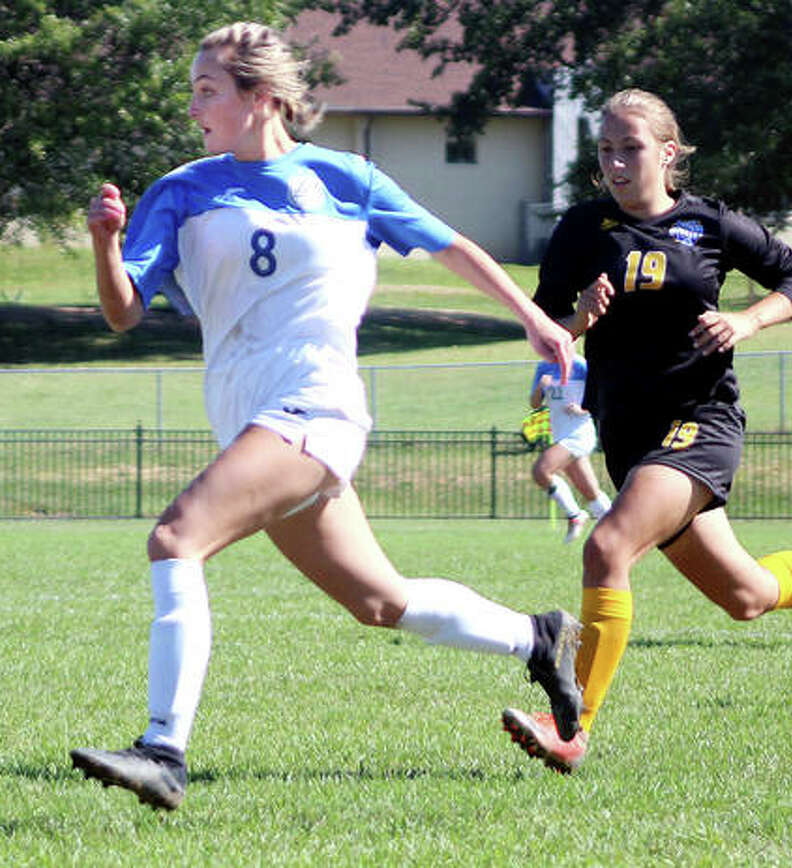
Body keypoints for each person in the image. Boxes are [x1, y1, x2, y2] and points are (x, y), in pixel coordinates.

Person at [69, 21, 585, 810]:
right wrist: (107, 245)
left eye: (209, 90)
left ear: (262, 97)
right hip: (254, 424)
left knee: (176, 538)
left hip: (317, 409)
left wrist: (532, 315)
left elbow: (450, 246)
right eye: (194, 90)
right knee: (379, 602)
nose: (194, 105)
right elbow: (122, 313)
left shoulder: (344, 178)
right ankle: (538, 637)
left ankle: (163, 749)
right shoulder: (180, 191)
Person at [501, 88, 792, 774]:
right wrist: (576, 319)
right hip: (630, 439)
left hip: (701, 423)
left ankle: (570, 728)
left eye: (631, 148)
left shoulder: (710, 224)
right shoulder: (582, 229)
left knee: (607, 546)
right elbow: (543, 330)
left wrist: (745, 321)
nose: (615, 162)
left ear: (668, 153)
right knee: (748, 597)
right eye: (605, 149)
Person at [529, 354, 613, 542]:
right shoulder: (544, 367)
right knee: (590, 491)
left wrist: (582, 409)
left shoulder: (581, 365)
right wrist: (541, 387)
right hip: (561, 434)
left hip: (579, 434)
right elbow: (534, 404)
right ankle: (616, 527)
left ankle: (575, 516)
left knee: (541, 471)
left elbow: (601, 397)